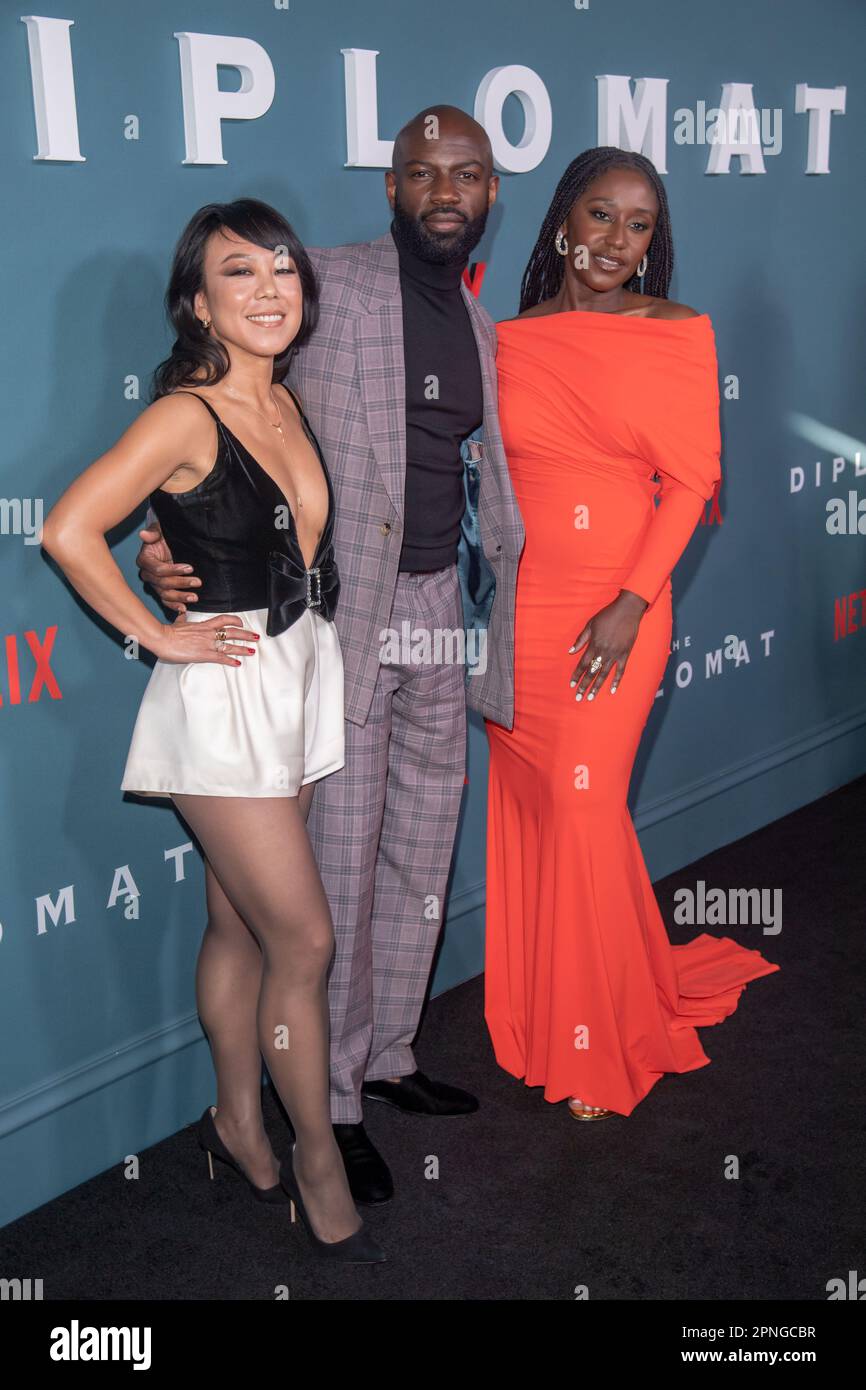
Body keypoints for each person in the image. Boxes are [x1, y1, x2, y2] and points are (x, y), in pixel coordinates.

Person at [135, 108, 526, 1201]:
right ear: (392, 186)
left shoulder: (479, 322)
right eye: (423, 171)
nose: (445, 188)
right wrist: (165, 543)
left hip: (439, 608)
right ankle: (334, 1094)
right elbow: (223, 403)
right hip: (335, 620)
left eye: (467, 174)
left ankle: (390, 1052)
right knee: (340, 863)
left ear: (489, 194)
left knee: (420, 841)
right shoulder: (326, 285)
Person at [41, 198, 384, 1263]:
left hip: (294, 677)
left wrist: (165, 556)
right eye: (240, 274)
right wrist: (160, 632)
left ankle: (237, 1117)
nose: (270, 289)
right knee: (306, 940)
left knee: (241, 928)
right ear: (197, 302)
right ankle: (315, 1160)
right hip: (224, 697)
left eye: (282, 270)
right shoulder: (188, 413)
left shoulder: (282, 396)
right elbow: (67, 527)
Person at [484, 148, 779, 1120]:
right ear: (561, 222)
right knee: (543, 814)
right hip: (521, 614)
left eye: (638, 223)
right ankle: (554, 1006)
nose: (615, 239)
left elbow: (692, 479)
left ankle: (603, 1039)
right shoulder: (511, 336)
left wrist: (631, 600)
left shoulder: (674, 330)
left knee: (580, 811)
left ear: (655, 242)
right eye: (599, 215)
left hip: (618, 610)